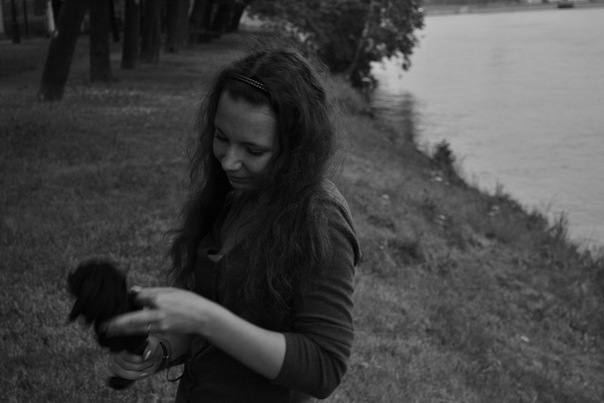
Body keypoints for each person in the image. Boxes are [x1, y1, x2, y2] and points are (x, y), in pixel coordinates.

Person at [102, 47, 361, 402]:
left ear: (296, 149)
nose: (228, 162)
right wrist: (159, 350)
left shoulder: (321, 219)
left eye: (253, 151)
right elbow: (215, 323)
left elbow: (324, 367)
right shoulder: (235, 195)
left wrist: (204, 317)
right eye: (222, 137)